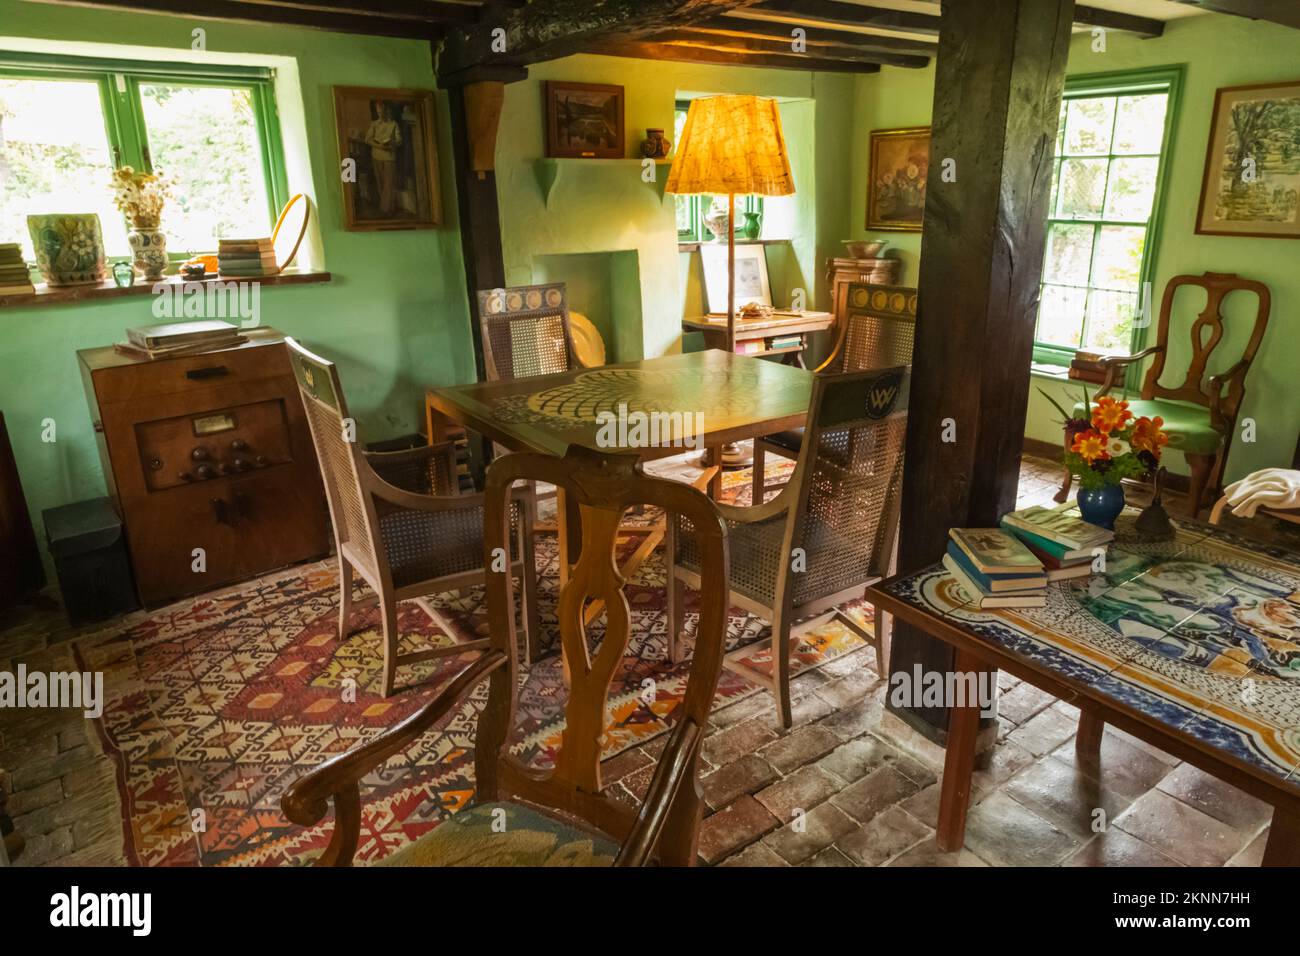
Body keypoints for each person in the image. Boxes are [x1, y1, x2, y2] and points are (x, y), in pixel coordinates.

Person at [364, 101, 402, 216]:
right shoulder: (374, 124)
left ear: (386, 110)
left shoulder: (394, 124)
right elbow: (367, 139)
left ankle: (385, 210)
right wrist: (378, 145)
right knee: (380, 183)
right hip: (376, 156)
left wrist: (392, 142)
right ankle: (387, 207)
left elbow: (400, 140)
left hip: (389, 157)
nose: (380, 113)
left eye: (382, 110)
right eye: (378, 111)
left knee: (388, 184)